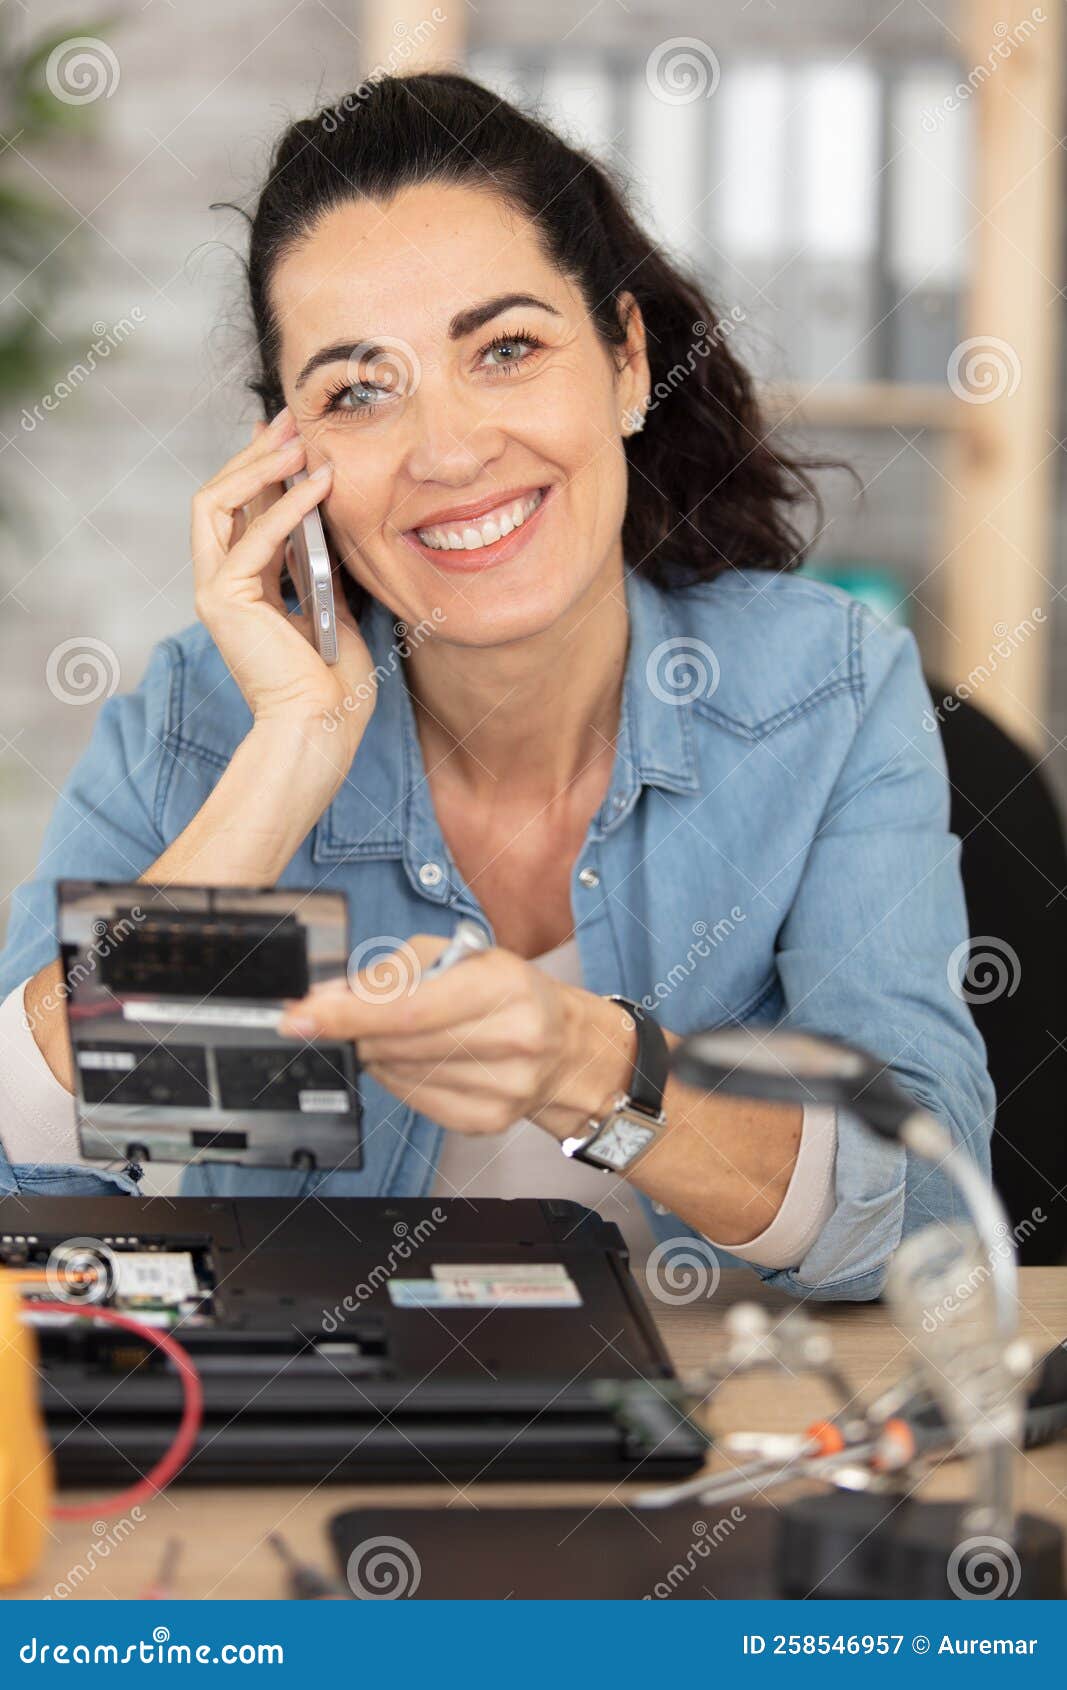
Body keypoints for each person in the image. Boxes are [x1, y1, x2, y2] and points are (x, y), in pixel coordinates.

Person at [0, 72, 993, 1298]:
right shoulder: (196, 732)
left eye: (507, 349)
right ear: (288, 464)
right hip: (302, 1476)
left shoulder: (826, 693)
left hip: (709, 1459)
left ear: (627, 362)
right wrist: (288, 759)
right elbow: (31, 1196)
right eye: (357, 391)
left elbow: (935, 1219)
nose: (451, 450)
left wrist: (593, 1066)